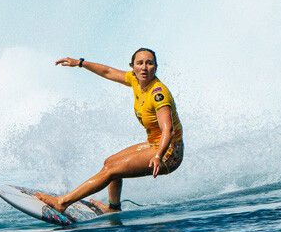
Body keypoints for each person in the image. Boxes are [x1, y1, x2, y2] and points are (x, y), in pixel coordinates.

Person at [35, 48, 184, 214]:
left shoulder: (158, 94)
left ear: (155, 67)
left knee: (111, 170)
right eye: (140, 63)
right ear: (132, 67)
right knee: (109, 162)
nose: (144, 67)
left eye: (149, 63)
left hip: (170, 152)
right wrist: (80, 63)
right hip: (155, 144)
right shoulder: (135, 80)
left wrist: (158, 156)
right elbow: (107, 72)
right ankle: (113, 208)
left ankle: (62, 202)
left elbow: (168, 131)